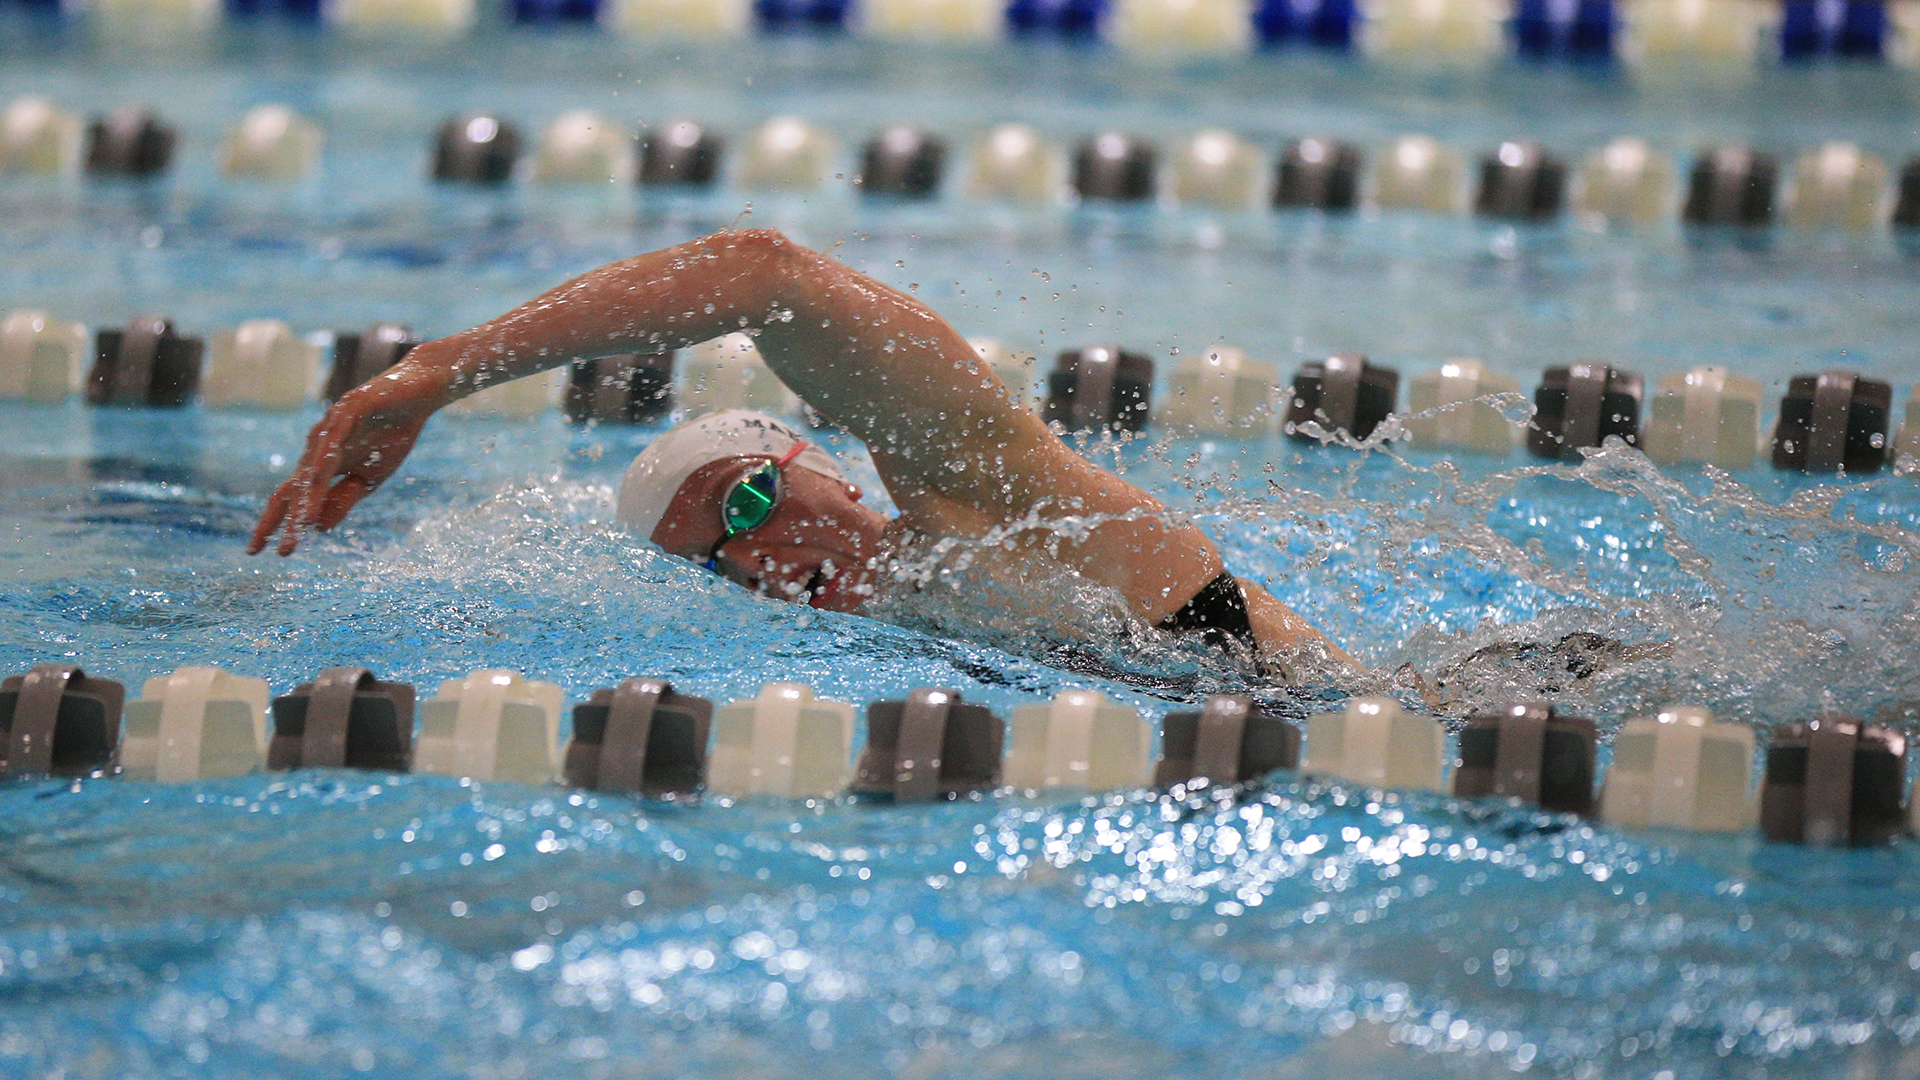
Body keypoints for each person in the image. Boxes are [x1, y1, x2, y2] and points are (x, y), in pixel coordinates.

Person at [250, 228, 1353, 675]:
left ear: (813, 458)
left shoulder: (974, 496)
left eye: (745, 504)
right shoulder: (900, 650)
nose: (759, 556)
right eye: (716, 559)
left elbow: (763, 273)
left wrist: (440, 370)